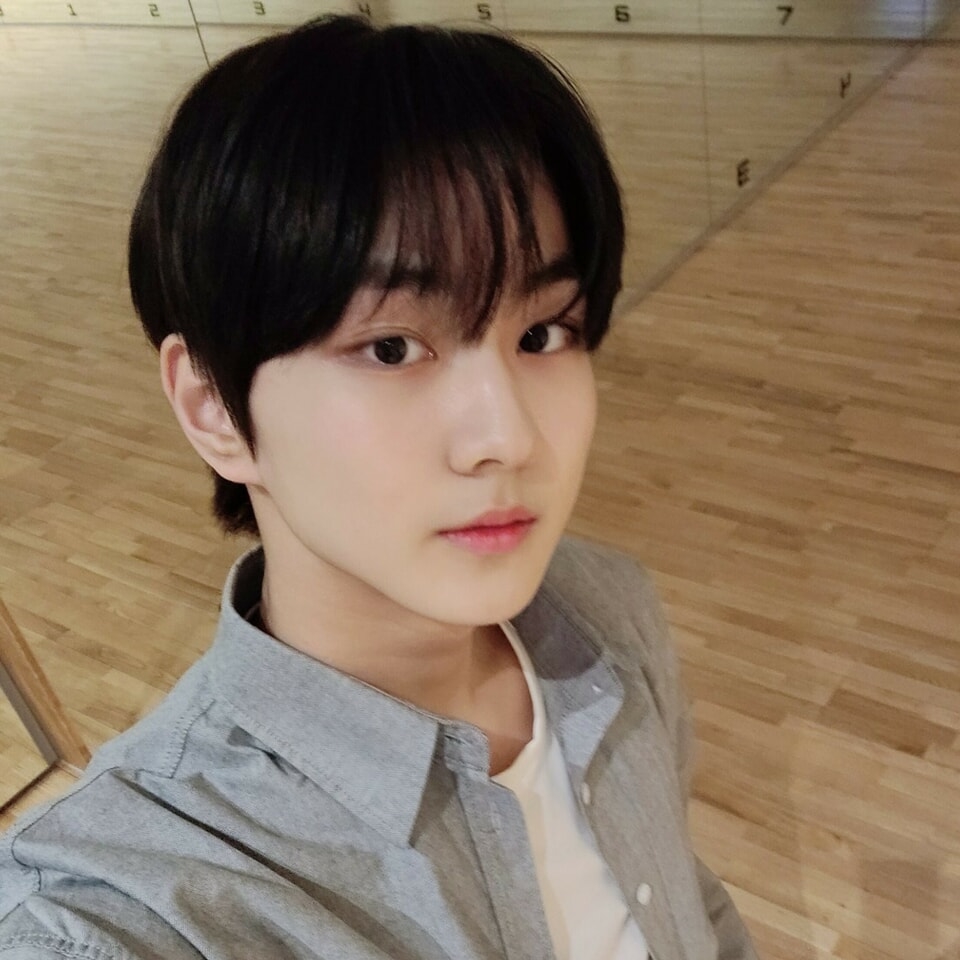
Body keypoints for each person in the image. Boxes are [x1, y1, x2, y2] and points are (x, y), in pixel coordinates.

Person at [0, 14, 758, 960]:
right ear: (214, 407)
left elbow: (693, 906)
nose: (508, 437)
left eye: (542, 334)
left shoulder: (609, 610)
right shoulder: (127, 907)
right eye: (392, 347)